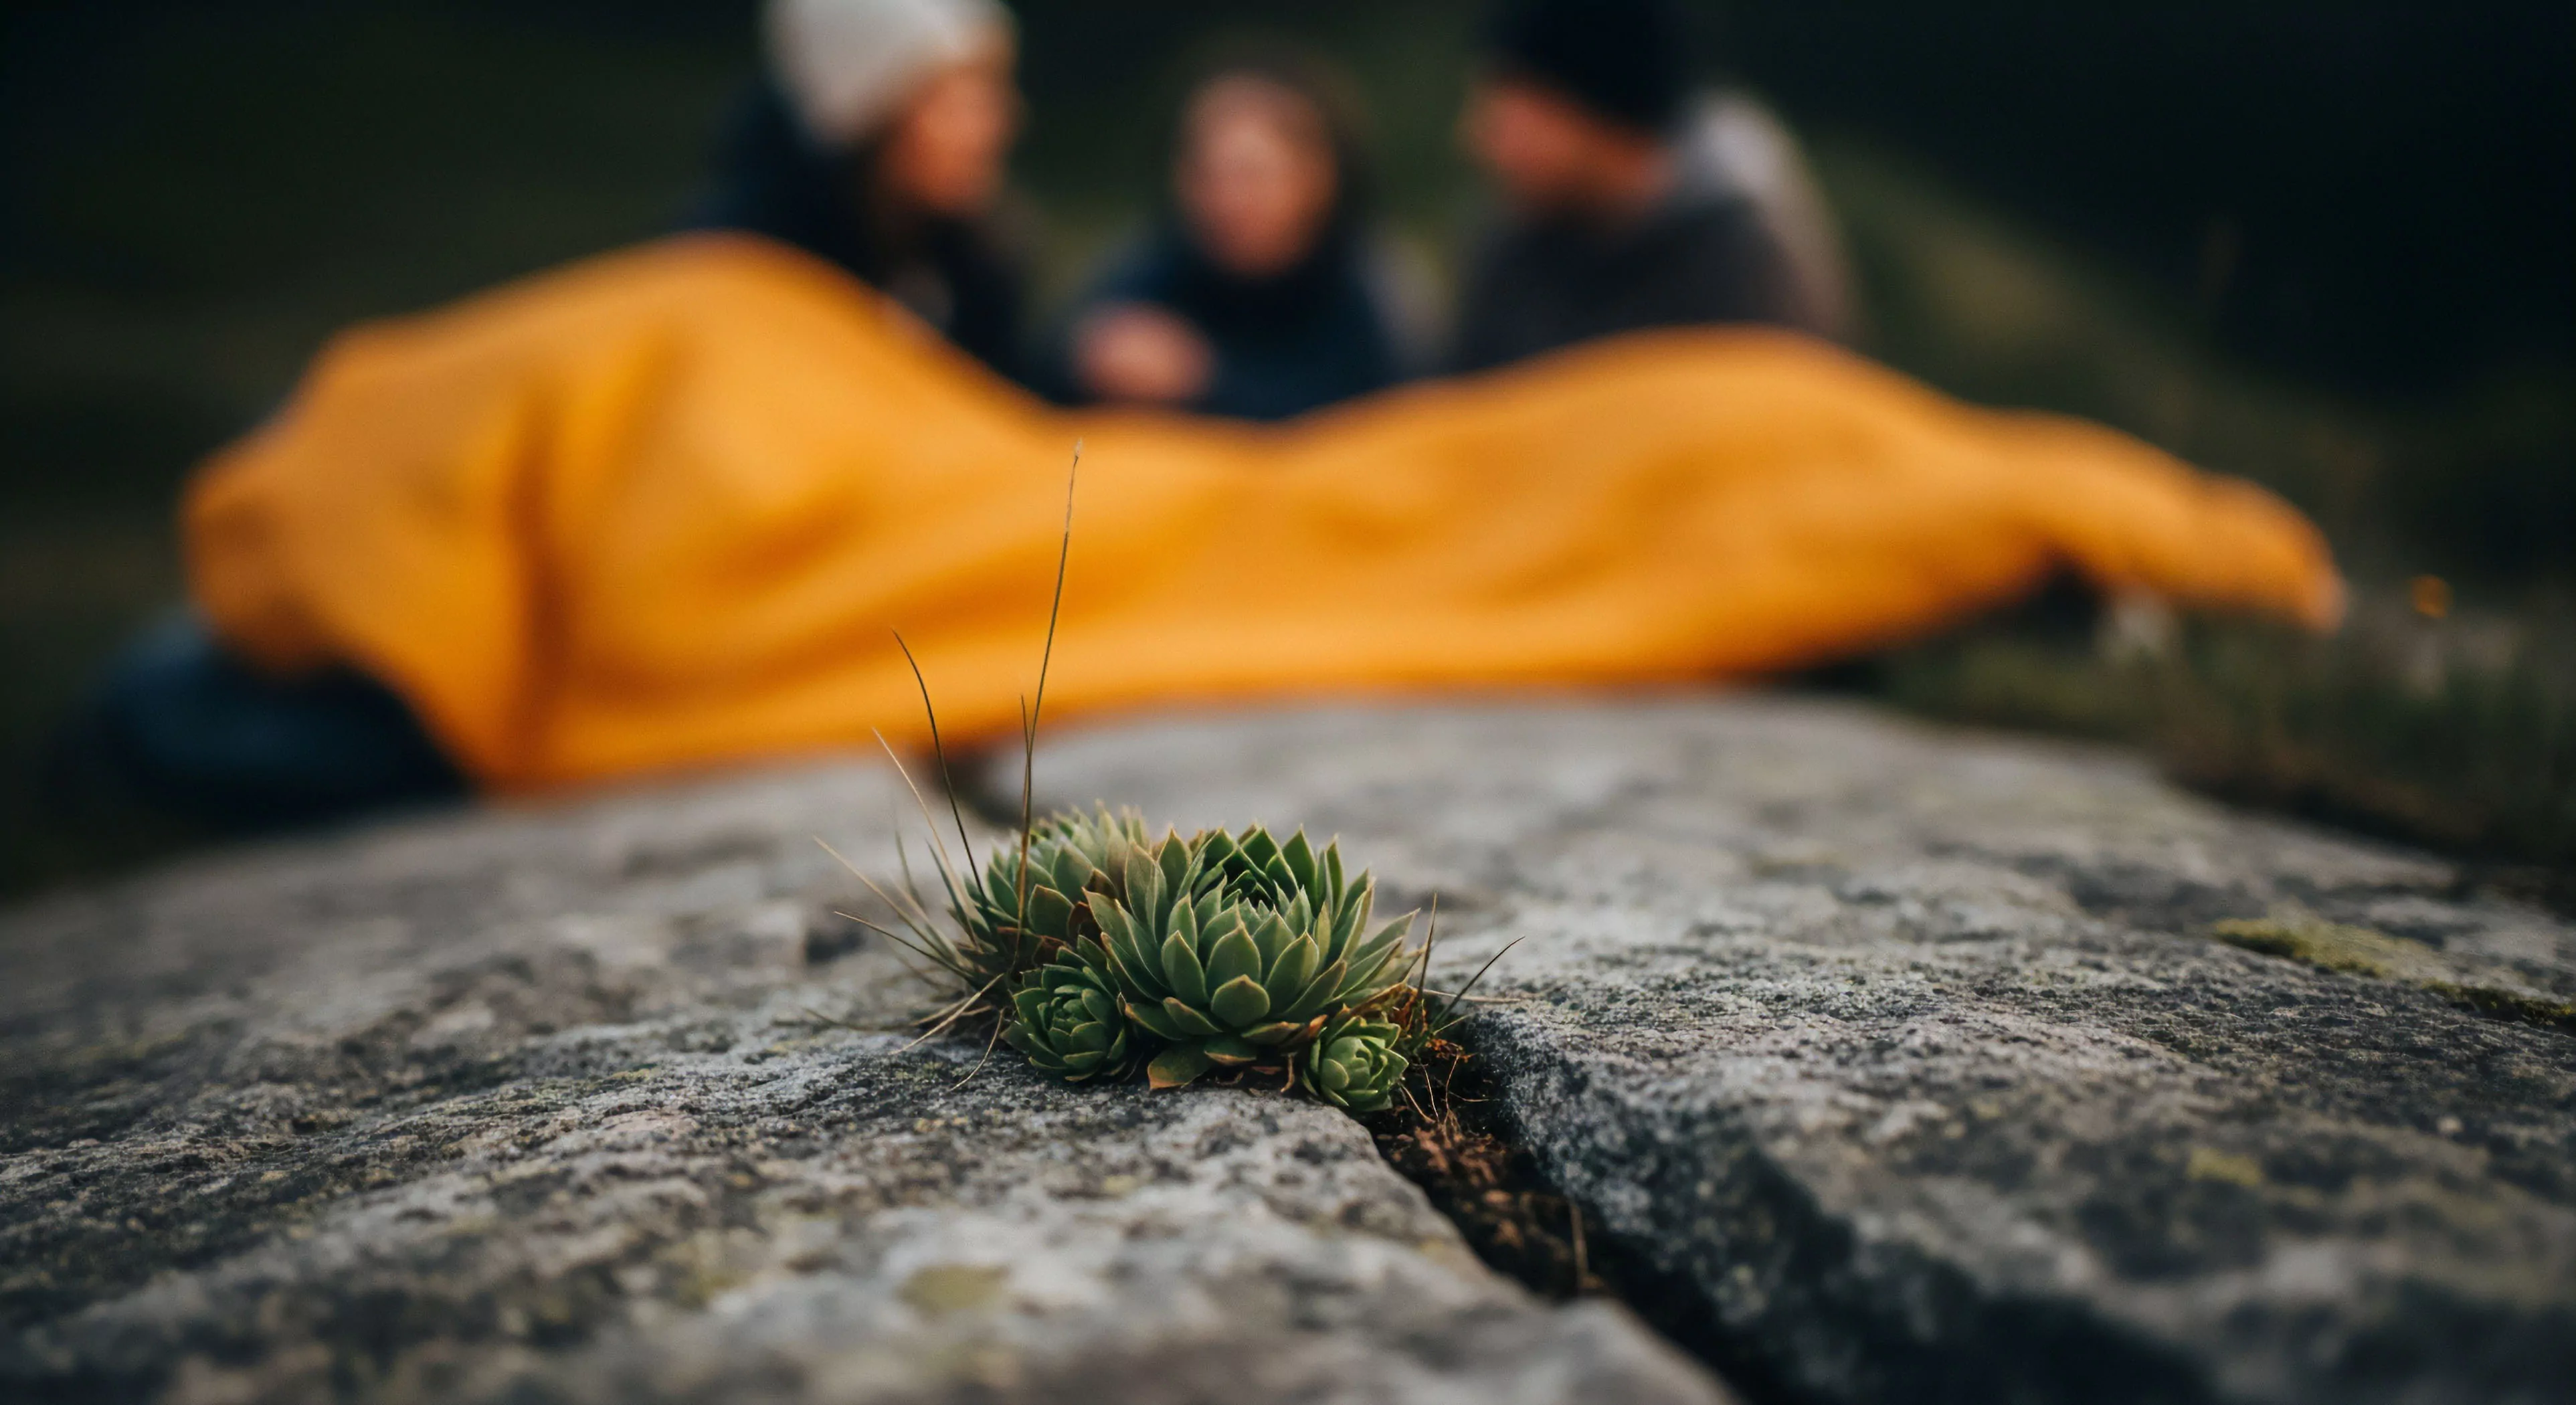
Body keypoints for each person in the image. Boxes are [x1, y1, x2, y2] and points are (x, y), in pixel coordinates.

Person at [1450, 0, 1851, 374]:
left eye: (1513, 112)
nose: (1478, 139)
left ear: (1594, 108)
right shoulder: (1515, 247)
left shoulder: (1744, 267)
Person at [1051, 51, 1418, 421]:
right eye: (1207, 175)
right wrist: (1090, 359)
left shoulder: (1370, 300)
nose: (1228, 200)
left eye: (1252, 176)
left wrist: (1206, 383)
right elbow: (1040, 375)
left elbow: (1381, 422)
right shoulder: (1157, 267)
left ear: (1319, 180)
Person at [693, 0, 1031, 382]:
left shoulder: (976, 267)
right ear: (871, 121)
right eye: (954, 106)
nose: (995, 127)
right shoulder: (735, 264)